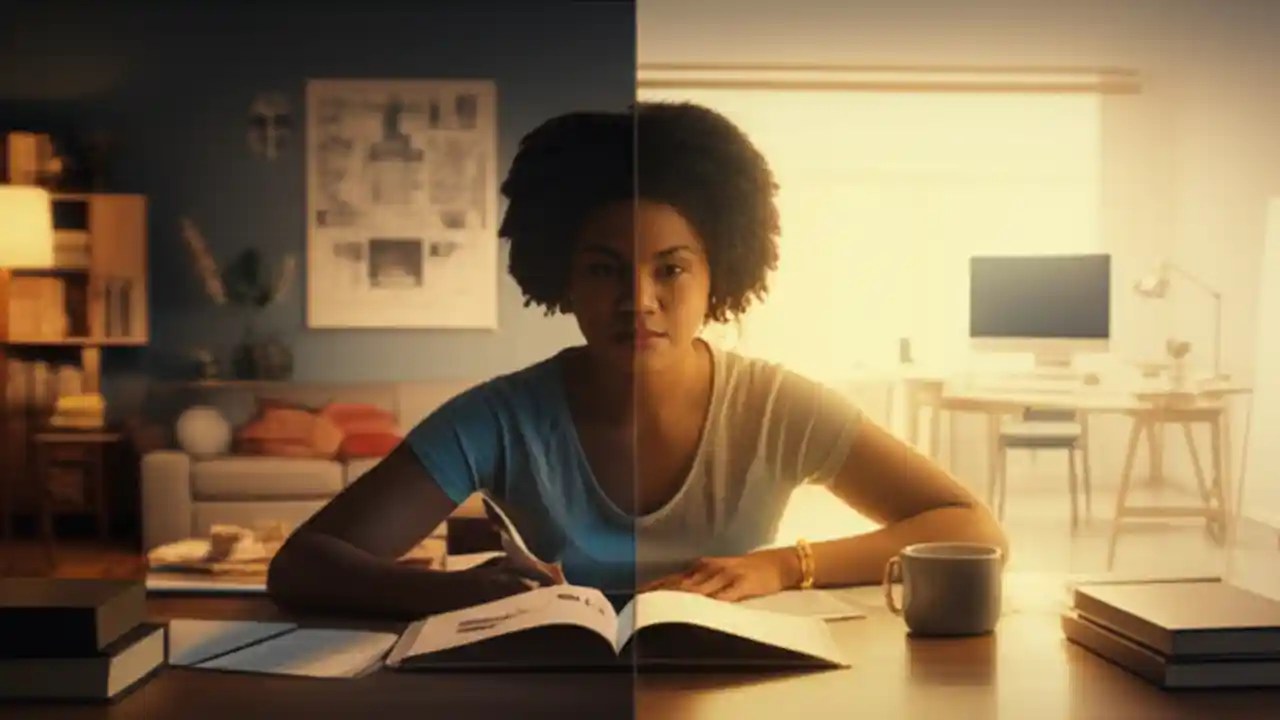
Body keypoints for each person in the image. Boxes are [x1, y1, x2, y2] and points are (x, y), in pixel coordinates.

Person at [267, 102, 1007, 618]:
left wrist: (784, 566)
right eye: (604, 270)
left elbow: (973, 528)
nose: (638, 301)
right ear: (563, 277)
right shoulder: (501, 416)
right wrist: (453, 592)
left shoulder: (779, 407)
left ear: (720, 275)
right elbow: (303, 563)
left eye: (671, 269)